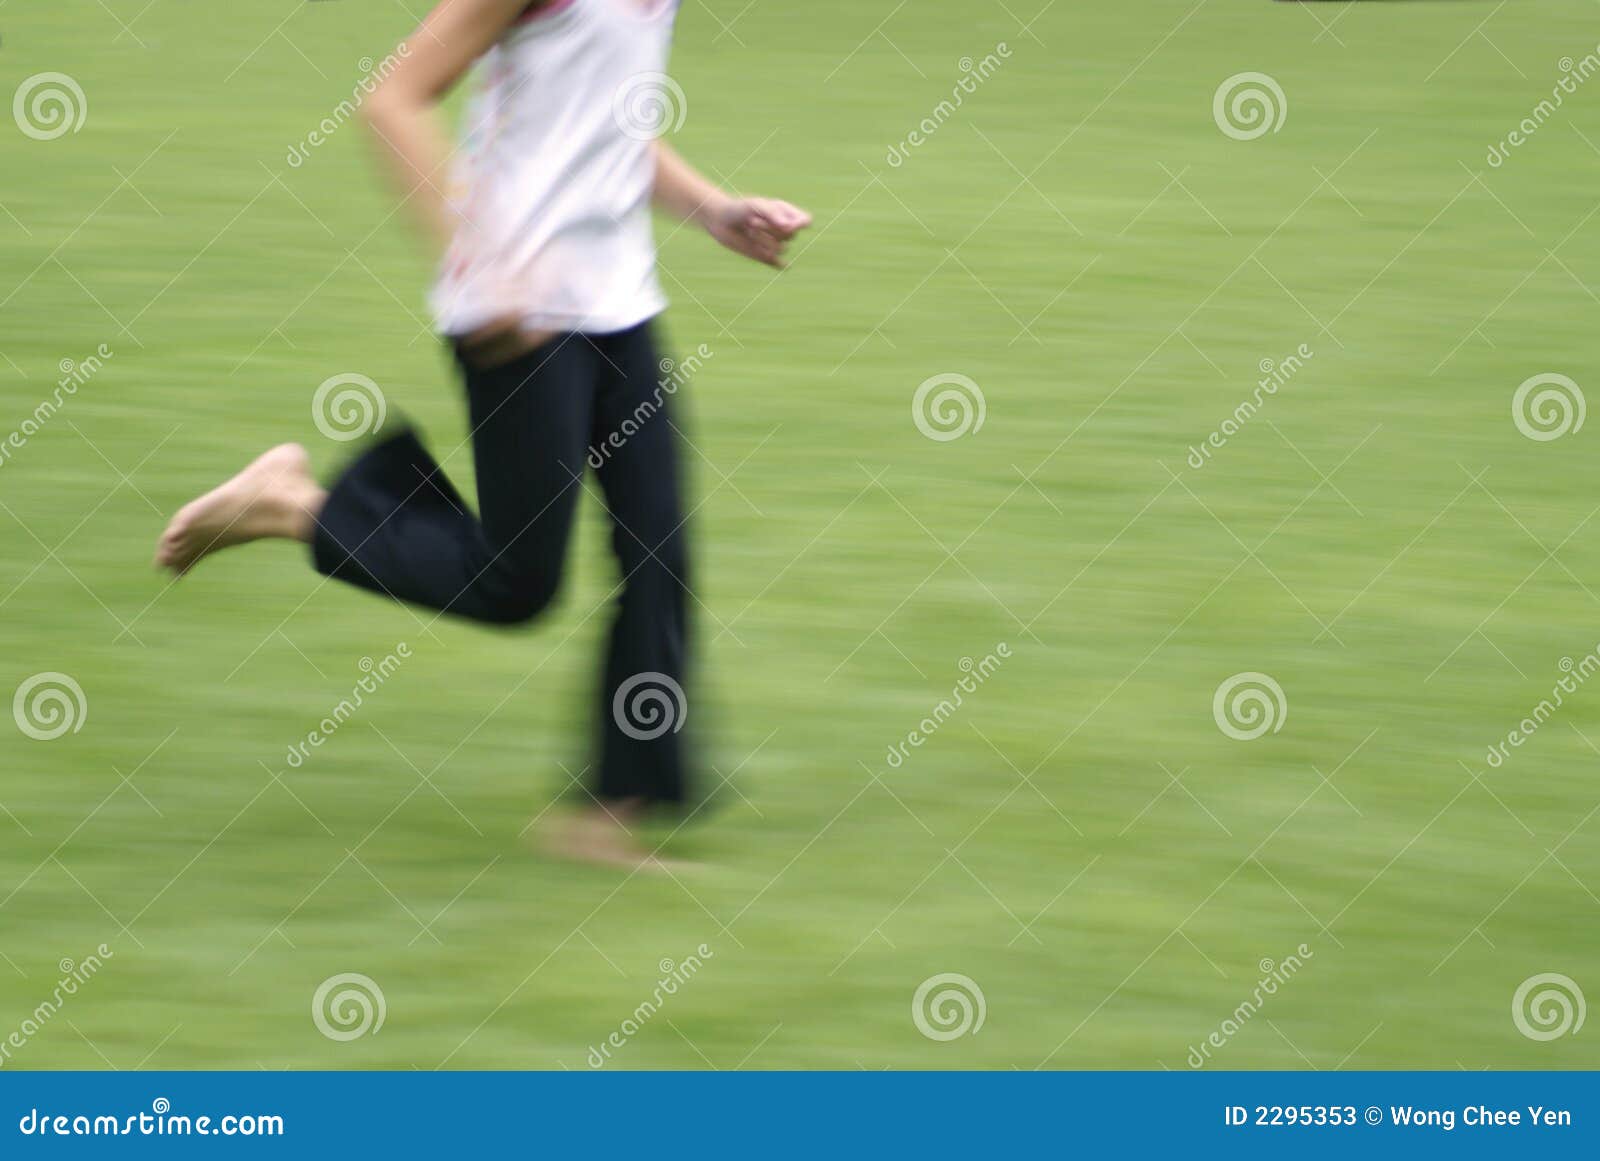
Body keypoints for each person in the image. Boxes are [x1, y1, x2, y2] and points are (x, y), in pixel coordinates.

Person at [153, 0, 811, 869]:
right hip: (521, 311)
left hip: (621, 300)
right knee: (514, 583)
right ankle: (295, 506)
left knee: (661, 555)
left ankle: (607, 818)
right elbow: (393, 99)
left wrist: (714, 211)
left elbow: (611, 119)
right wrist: (477, 259)